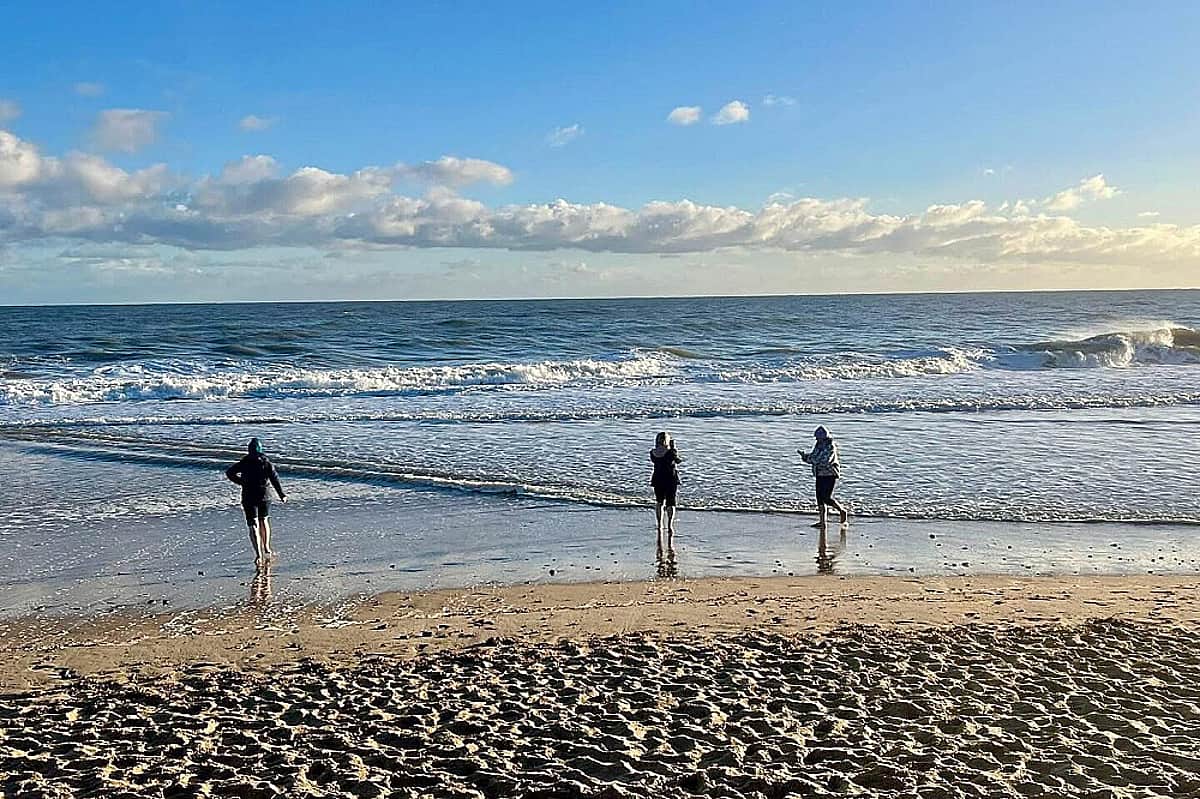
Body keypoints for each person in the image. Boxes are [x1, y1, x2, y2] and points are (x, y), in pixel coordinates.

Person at [225, 437, 286, 568]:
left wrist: (241, 482)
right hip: (265, 495)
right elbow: (274, 478)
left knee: (253, 525)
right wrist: (281, 494)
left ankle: (258, 555)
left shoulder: (245, 461)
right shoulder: (266, 461)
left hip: (248, 496)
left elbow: (230, 472)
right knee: (264, 520)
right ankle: (267, 548)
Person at [800, 425, 848, 528]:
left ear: (824, 437)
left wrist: (811, 460)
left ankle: (842, 510)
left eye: (818, 438)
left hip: (830, 474)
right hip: (819, 474)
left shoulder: (830, 446)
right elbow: (814, 456)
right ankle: (822, 522)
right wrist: (806, 457)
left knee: (826, 498)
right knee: (819, 499)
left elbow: (825, 460)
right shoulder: (818, 445)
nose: (816, 439)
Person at [650, 431, 682, 534]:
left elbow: (656, 460)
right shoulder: (671, 452)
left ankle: (660, 524)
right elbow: (678, 461)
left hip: (657, 478)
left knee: (659, 502)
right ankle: (669, 525)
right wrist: (673, 448)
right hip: (670, 479)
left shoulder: (653, 452)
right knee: (671, 502)